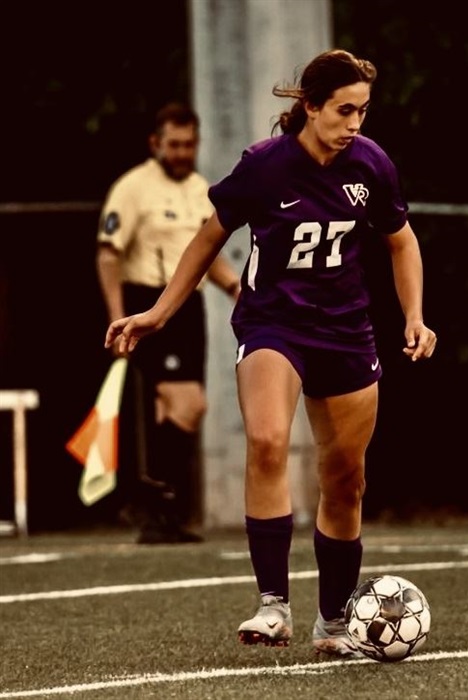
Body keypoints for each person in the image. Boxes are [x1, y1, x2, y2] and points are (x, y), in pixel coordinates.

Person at [104, 50, 436, 656]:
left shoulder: (372, 164)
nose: (354, 123)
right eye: (343, 110)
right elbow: (209, 236)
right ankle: (273, 606)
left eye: (362, 111)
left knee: (346, 478)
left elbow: (401, 241)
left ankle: (333, 622)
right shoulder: (265, 166)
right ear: (309, 106)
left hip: (345, 331)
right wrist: (158, 312)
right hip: (273, 325)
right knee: (266, 441)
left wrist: (414, 315)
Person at [96, 102, 240, 545]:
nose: (182, 153)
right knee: (187, 404)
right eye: (174, 145)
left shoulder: (199, 189)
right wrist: (118, 317)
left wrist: (235, 287)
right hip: (147, 302)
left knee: (174, 411)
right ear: (155, 143)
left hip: (188, 307)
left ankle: (159, 512)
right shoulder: (133, 187)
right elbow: (108, 254)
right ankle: (146, 497)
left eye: (189, 145)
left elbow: (203, 253)